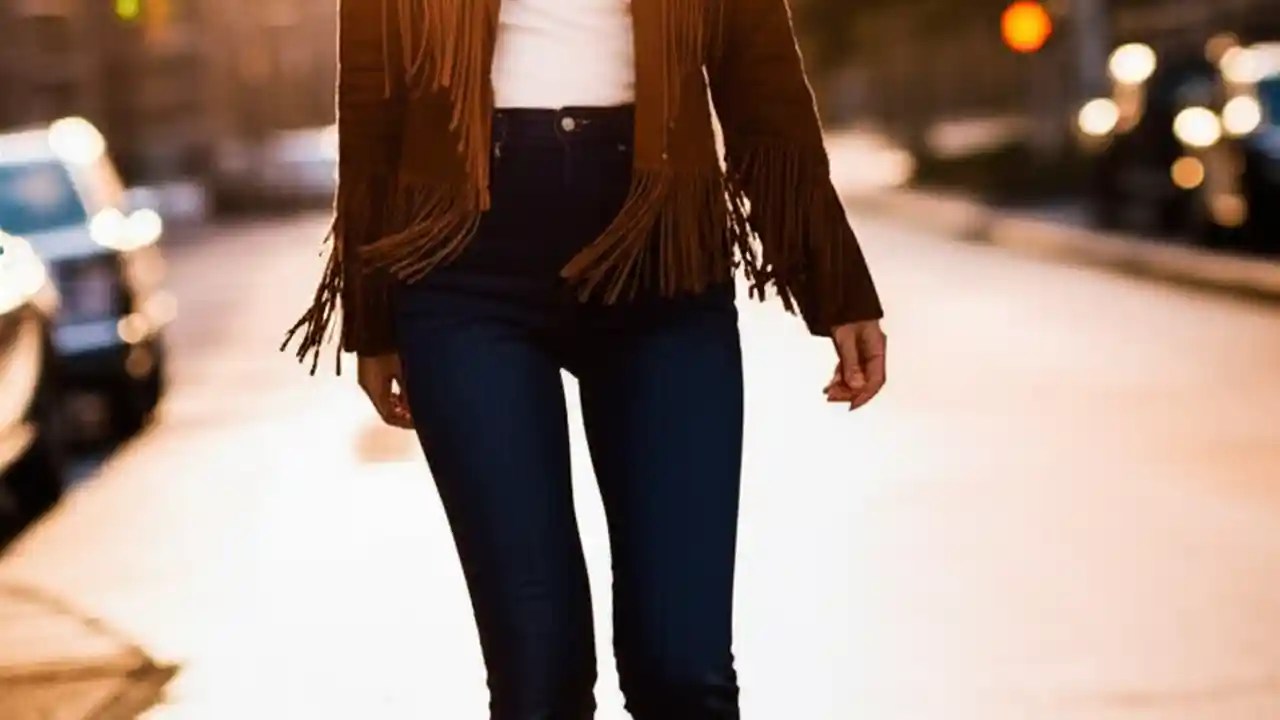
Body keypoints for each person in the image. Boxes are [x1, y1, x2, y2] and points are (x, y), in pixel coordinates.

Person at [284, 0, 887, 717]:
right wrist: (373, 315)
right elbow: (372, 85)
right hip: (462, 261)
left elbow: (761, 76)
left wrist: (836, 286)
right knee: (537, 678)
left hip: (662, 252)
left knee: (683, 673)